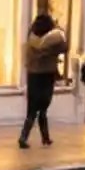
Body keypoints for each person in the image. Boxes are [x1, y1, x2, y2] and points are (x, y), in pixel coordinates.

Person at [18, 13, 68, 149]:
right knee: (43, 109)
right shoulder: (52, 40)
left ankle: (26, 137)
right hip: (46, 75)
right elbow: (65, 47)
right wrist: (59, 30)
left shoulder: (31, 38)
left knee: (32, 109)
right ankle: (43, 138)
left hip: (33, 75)